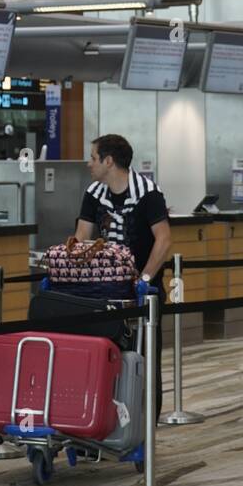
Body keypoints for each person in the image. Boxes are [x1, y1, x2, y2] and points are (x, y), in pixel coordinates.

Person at [75, 134, 172, 416]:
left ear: (109, 161)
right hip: (103, 291)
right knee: (104, 356)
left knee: (145, 360)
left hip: (143, 292)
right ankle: (103, 420)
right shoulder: (94, 193)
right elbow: (82, 236)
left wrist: (144, 280)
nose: (88, 163)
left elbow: (163, 240)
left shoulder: (148, 193)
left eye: (93, 158)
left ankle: (145, 425)